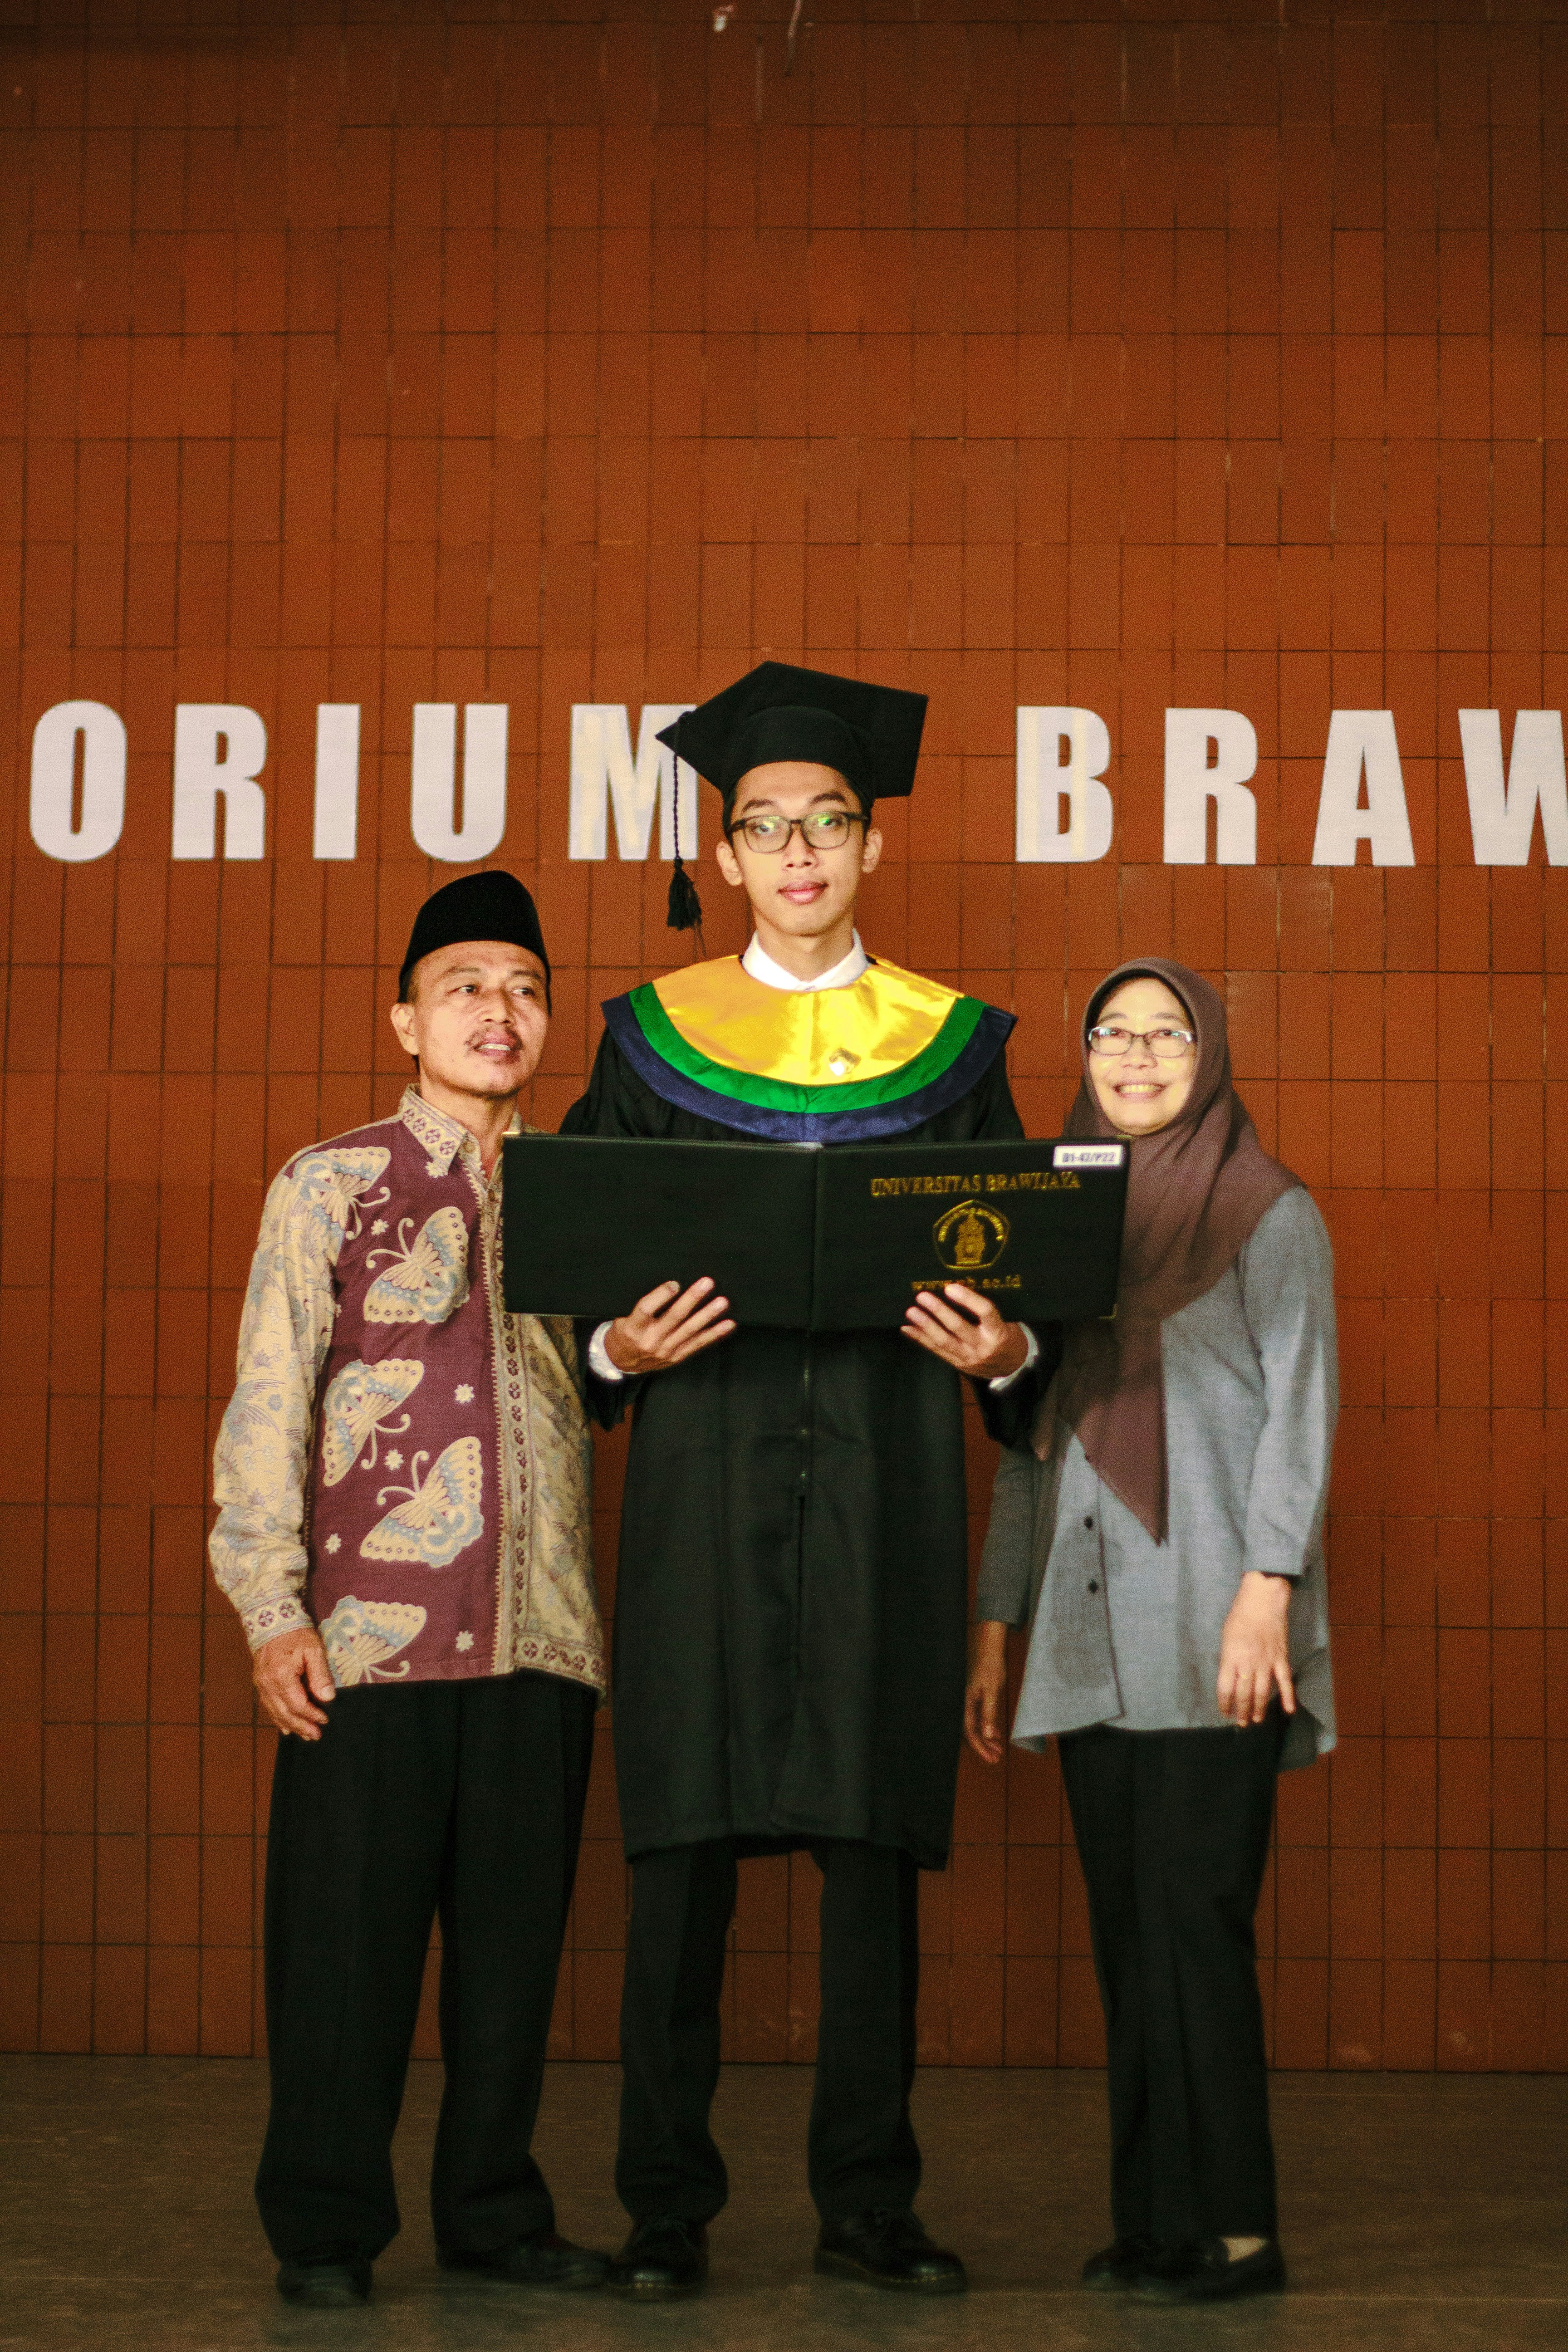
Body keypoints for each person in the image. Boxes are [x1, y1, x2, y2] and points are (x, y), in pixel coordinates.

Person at [562, 662, 1051, 2298]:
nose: (794, 853)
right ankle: (662, 2211)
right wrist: (617, 1352)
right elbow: (568, 1266)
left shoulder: (955, 1049)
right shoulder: (649, 1041)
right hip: (702, 1487)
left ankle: (867, 2205)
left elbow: (1029, 1277)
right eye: (762, 827)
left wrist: (1008, 1355)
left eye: (824, 824)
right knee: (682, 1857)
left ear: (870, 847)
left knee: (865, 1861)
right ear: (730, 845)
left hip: (883, 1490)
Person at [209, 872, 608, 2310]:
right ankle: (324, 2229)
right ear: (405, 1017)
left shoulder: (581, 1188)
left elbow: (604, 1375)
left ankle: (494, 2214)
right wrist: (271, 1607)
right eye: (466, 987)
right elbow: (271, 1398)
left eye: (524, 988)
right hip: (366, 1642)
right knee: (344, 1958)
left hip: (540, 1636)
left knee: (510, 1972)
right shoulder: (332, 1181)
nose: (498, 1012)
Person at [966, 959, 1337, 2305]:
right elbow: (1032, 1435)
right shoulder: (1059, 1216)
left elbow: (1302, 1409)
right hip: (1082, 1619)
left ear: (1209, 1051)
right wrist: (997, 1622)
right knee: (1129, 1933)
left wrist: (1268, 1589)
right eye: (1111, 1035)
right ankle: (1157, 2223)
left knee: (1198, 1923)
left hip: (1213, 1618)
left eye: (1164, 1034)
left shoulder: (1264, 1211)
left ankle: (1239, 2228)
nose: (1135, 1055)